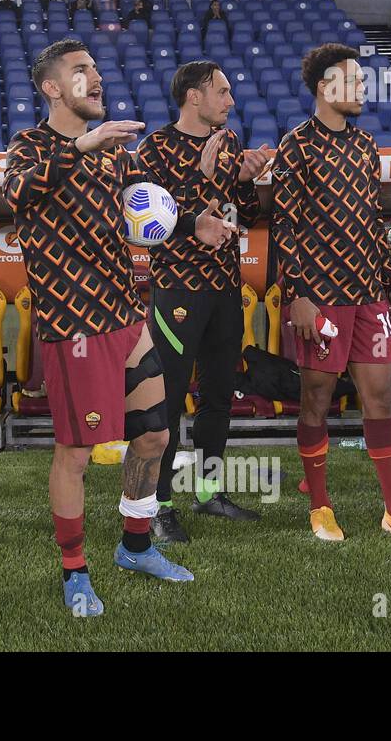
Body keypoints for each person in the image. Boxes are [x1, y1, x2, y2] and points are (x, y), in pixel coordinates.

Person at [4, 39, 236, 617]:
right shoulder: (28, 146)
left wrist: (192, 223)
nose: (97, 78)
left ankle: (135, 546)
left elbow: (152, 206)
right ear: (52, 88)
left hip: (127, 317)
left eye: (97, 68)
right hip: (72, 323)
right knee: (77, 455)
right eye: (81, 71)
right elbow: (18, 195)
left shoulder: (118, 154)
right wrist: (81, 146)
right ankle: (75, 571)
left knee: (154, 436)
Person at [272, 43, 391, 543]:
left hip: (369, 294)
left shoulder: (364, 144)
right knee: (317, 398)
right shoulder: (297, 146)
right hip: (320, 297)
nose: (363, 88)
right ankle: (321, 508)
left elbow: (377, 221)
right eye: (354, 80)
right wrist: (298, 295)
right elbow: (285, 225)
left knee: (381, 396)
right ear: (326, 88)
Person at [138, 62, 272, 542]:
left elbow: (243, 214)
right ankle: (158, 505)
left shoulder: (231, 142)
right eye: (222, 91)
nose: (230, 100)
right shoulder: (154, 148)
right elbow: (150, 221)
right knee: (169, 400)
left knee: (218, 395)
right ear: (194, 96)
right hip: (177, 290)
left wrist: (247, 182)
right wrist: (201, 175)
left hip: (225, 290)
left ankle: (210, 491)